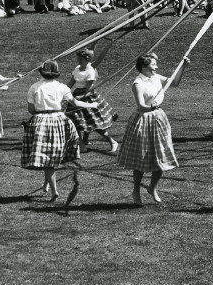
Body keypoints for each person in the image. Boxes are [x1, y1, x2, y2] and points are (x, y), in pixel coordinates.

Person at [118, 53, 186, 206]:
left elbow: (174, 82)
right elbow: (141, 106)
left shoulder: (156, 77)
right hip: (143, 120)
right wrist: (151, 106)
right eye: (153, 64)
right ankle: (136, 190)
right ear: (144, 67)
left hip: (158, 118)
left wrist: (183, 66)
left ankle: (152, 187)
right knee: (141, 159)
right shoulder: (138, 83)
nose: (156, 66)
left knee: (162, 155)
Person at [21, 59, 82, 200]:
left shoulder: (34, 87)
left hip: (41, 122)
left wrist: (43, 111)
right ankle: (47, 185)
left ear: (41, 72)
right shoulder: (62, 87)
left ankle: (54, 191)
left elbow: (31, 110)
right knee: (51, 156)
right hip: (60, 122)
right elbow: (74, 103)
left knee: (47, 157)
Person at [66, 48, 119, 152]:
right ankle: (82, 144)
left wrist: (79, 99)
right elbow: (70, 83)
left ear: (87, 59)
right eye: (78, 59)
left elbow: (89, 89)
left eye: (81, 59)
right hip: (76, 95)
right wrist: (63, 92)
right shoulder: (77, 68)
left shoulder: (90, 71)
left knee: (94, 123)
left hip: (87, 98)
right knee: (76, 122)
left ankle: (112, 141)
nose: (79, 61)